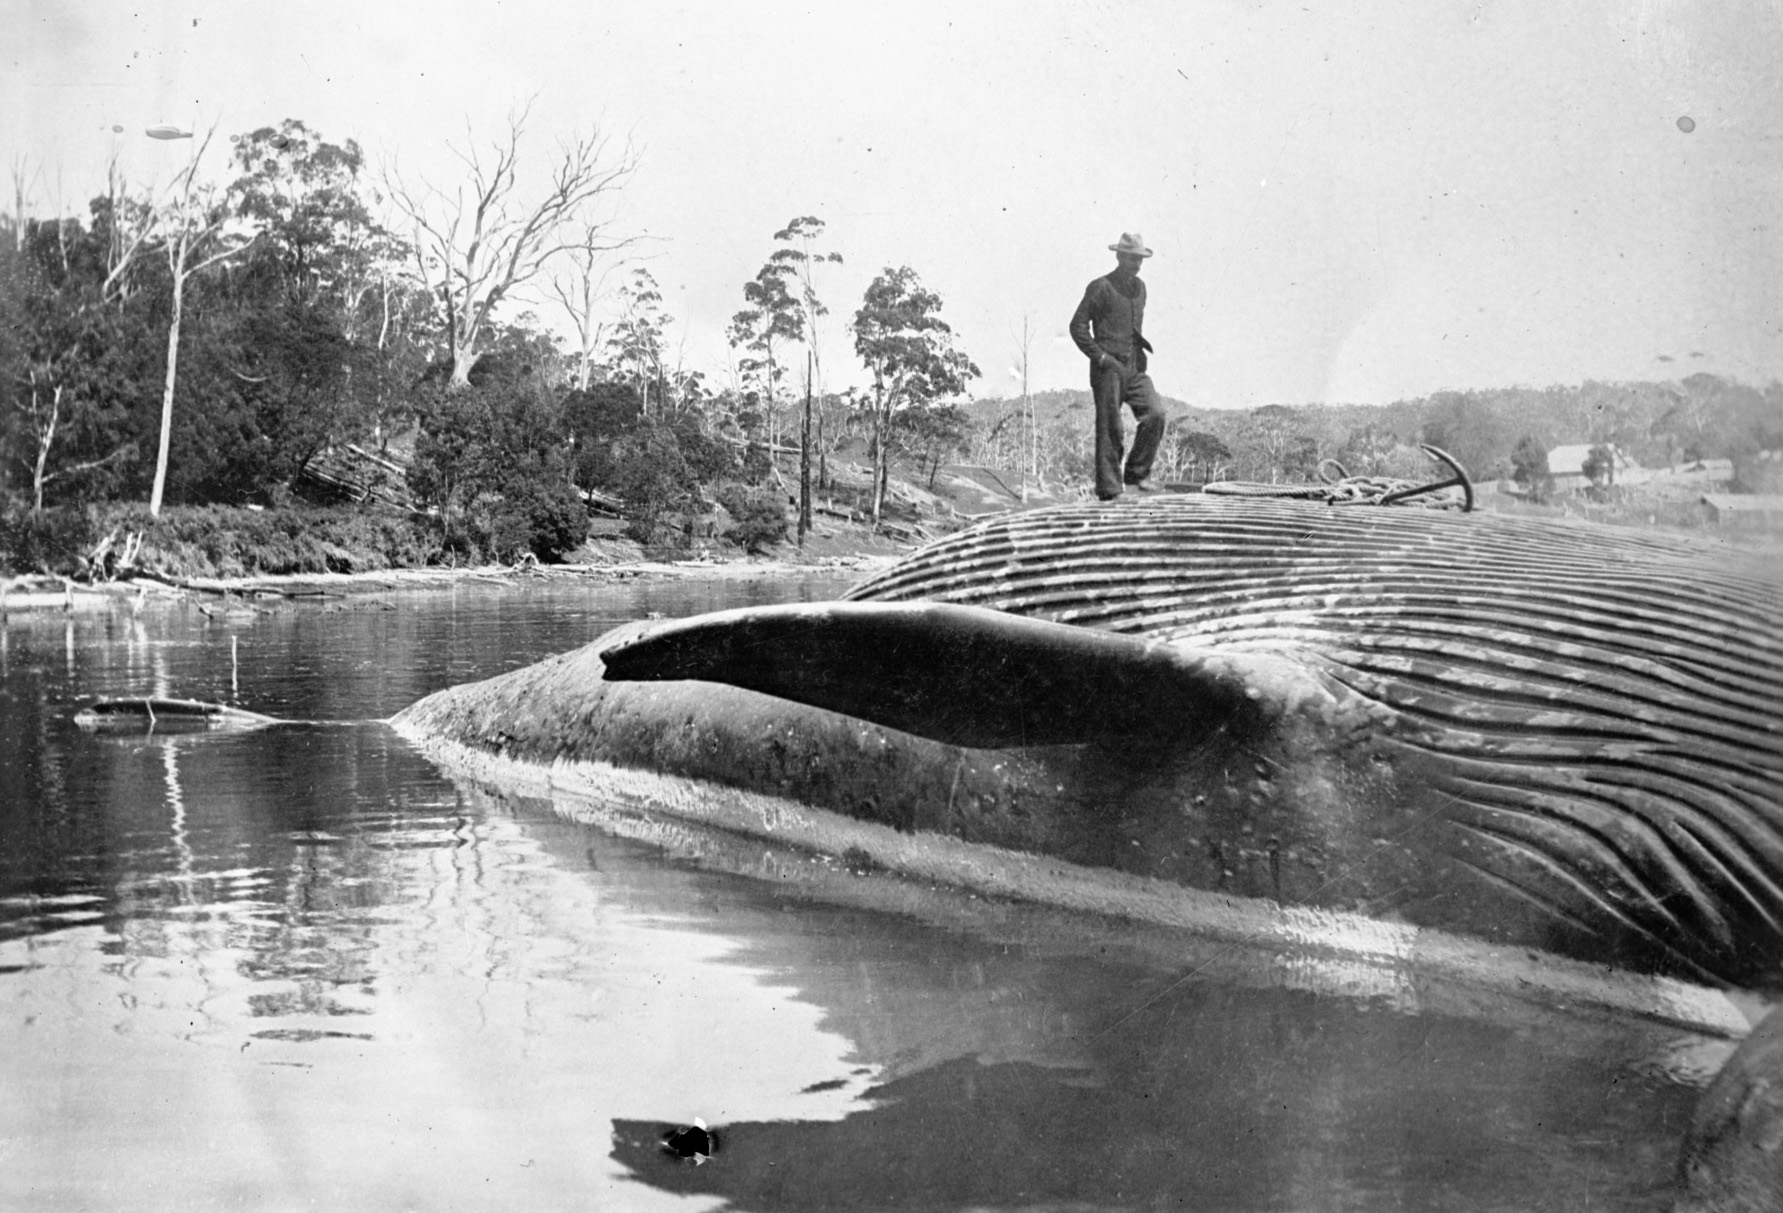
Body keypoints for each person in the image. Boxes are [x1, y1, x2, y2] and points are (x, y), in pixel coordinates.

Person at [1069, 232, 1166, 500]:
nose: (1137, 264)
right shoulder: (1101, 286)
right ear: (1119, 257)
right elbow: (1077, 326)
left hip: (1134, 367)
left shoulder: (1140, 288)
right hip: (1108, 368)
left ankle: (1137, 475)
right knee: (1111, 427)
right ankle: (1110, 490)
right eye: (1132, 258)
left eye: (1140, 259)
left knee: (1156, 413)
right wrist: (1100, 357)